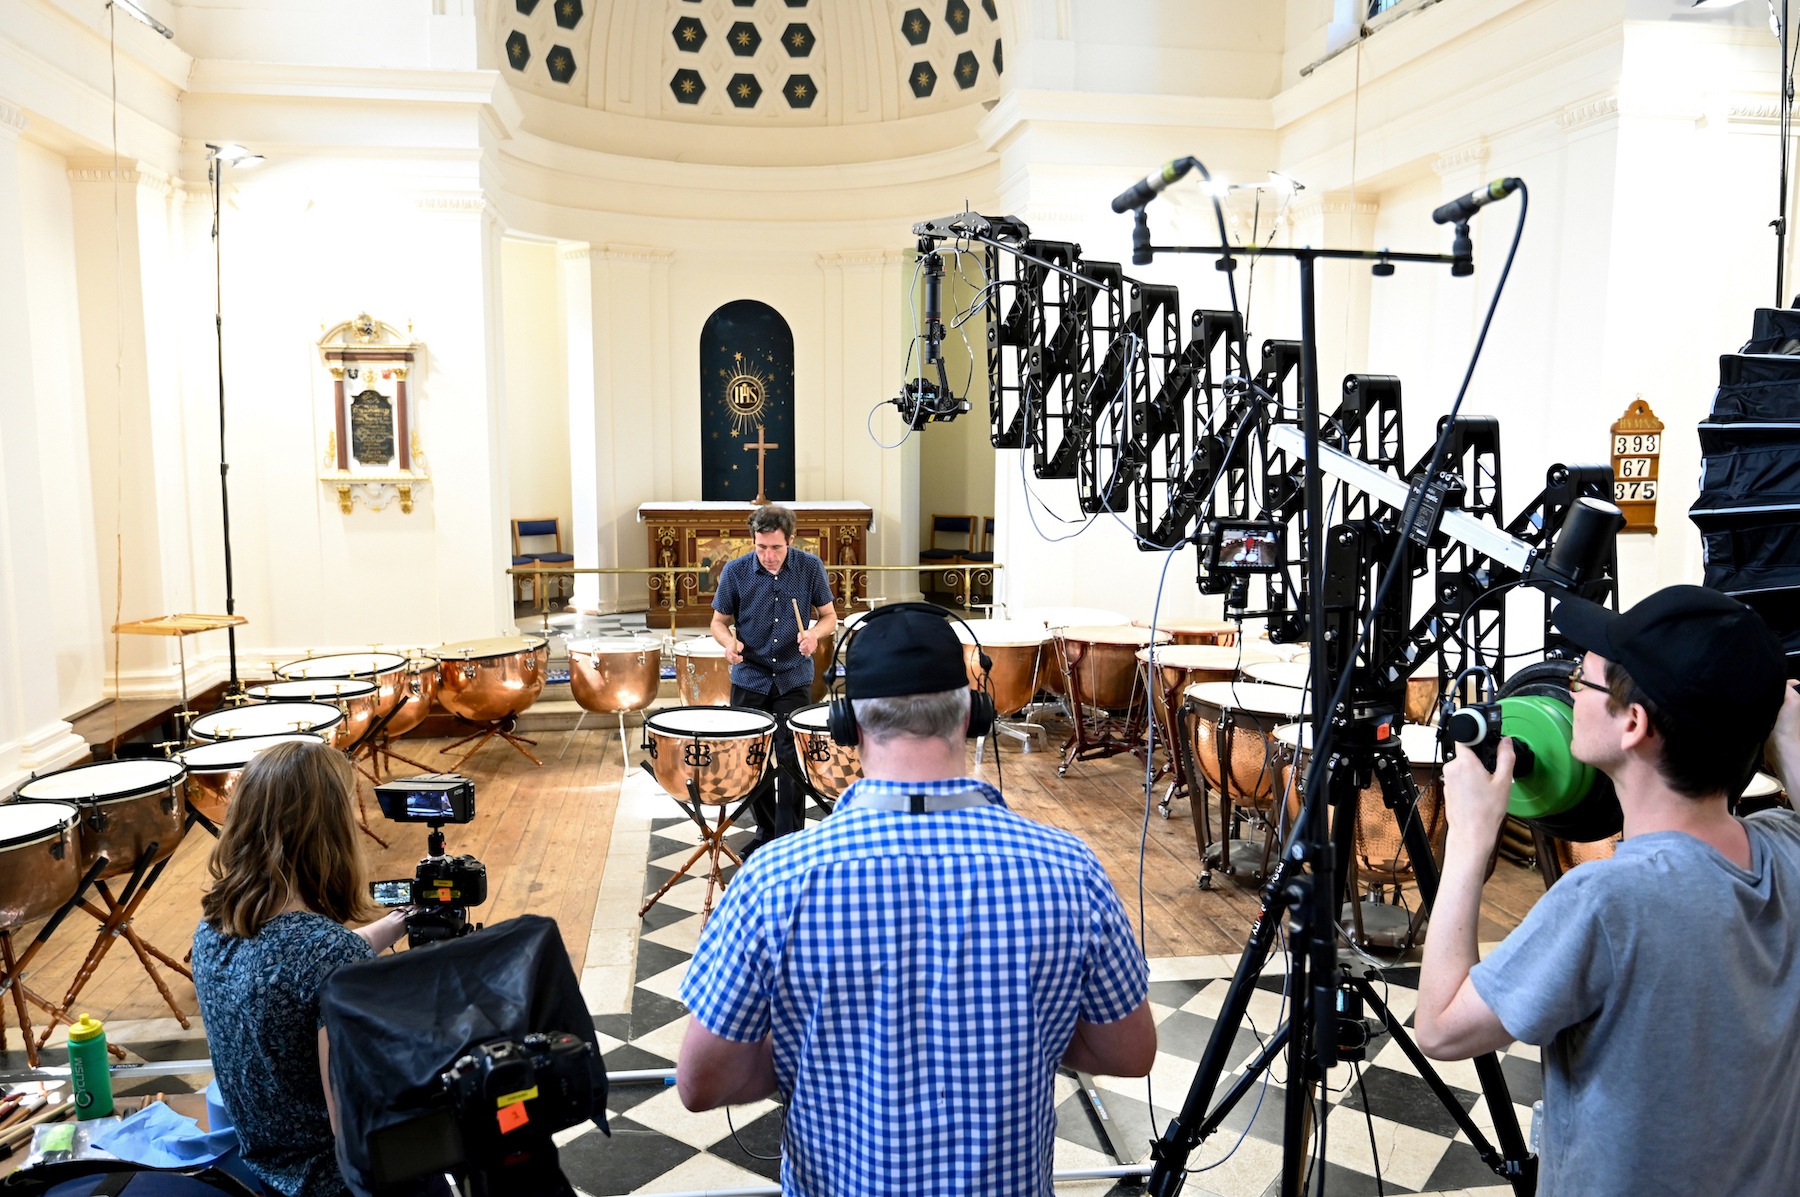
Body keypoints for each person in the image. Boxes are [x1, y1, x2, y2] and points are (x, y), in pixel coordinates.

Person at [676, 607, 1156, 1196]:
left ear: (845, 724)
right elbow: (1131, 1053)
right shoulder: (1069, 870)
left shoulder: (773, 881)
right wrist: (1027, 1037)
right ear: (973, 715)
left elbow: (701, 1085)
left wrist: (813, 1050)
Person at [1416, 584, 1800, 1196]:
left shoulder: (1607, 900)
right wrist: (1778, 726)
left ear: (1633, 722)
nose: (1568, 688)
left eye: (1582, 678)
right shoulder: (1785, 851)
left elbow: (1439, 1028)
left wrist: (1467, 837)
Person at [191, 740, 408, 1197]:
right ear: (328, 831)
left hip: (263, 1171)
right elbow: (353, 1129)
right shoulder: (328, 956)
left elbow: (292, 972)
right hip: (332, 1185)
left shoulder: (212, 929)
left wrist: (394, 925)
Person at [708, 503, 837, 851]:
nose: (768, 555)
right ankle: (766, 834)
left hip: (793, 676)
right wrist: (728, 642)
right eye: (761, 547)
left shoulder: (810, 567)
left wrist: (813, 635)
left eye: (776, 547)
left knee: (792, 760)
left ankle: (789, 838)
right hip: (750, 676)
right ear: (753, 541)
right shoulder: (735, 571)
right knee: (754, 759)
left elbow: (829, 617)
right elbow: (718, 622)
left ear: (790, 540)